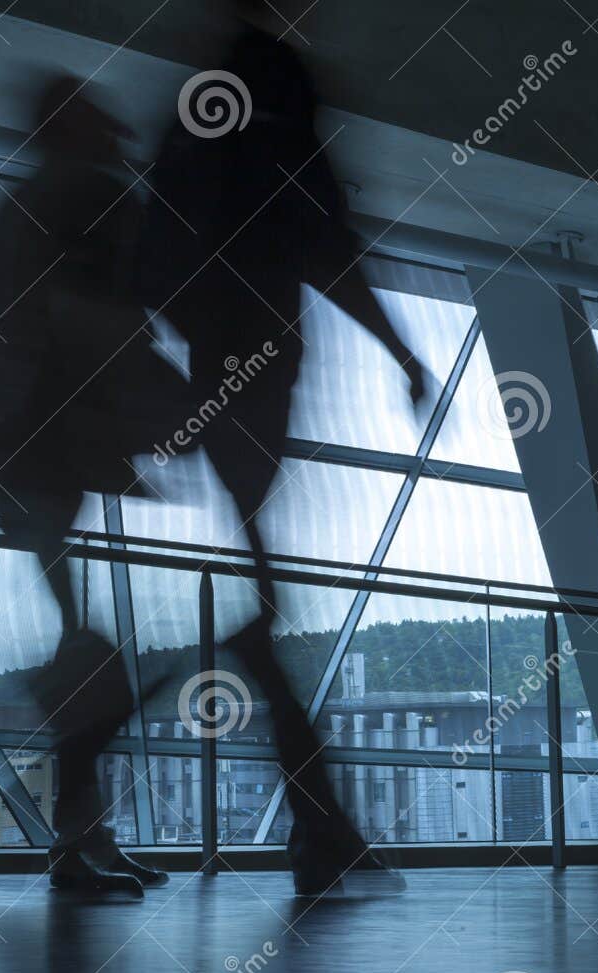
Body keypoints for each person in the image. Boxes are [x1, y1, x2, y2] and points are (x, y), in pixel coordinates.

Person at [143, 1, 437, 896]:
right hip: (259, 380)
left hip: (217, 377)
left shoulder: (199, 127)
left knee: (257, 613)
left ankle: (321, 826)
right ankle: (320, 828)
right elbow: (329, 250)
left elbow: (156, 254)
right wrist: (396, 351)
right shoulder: (281, 120)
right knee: (256, 617)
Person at [0, 75, 187, 898]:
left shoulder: (22, 220)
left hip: (33, 455)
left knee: (85, 653)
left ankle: (79, 838)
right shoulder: (77, 210)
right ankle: (74, 842)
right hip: (48, 455)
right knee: (90, 659)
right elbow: (110, 319)